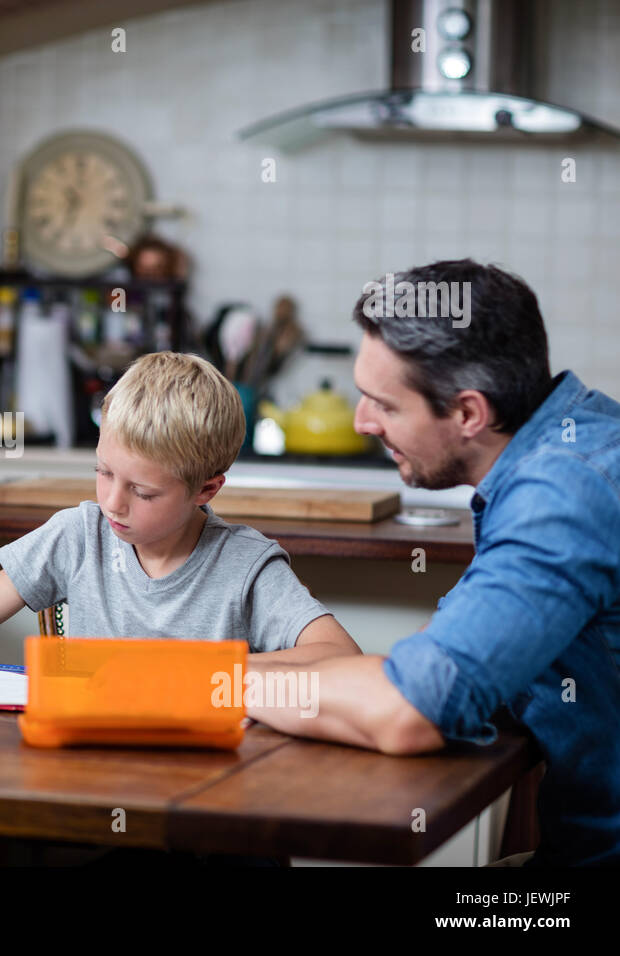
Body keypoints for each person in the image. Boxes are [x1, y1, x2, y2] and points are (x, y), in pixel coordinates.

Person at [246, 259, 620, 866]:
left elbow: (408, 711)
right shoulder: (568, 443)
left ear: (469, 413)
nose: (363, 422)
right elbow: (431, 661)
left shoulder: (561, 497)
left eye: (384, 405)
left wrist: (217, 683)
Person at [0, 351, 361, 684]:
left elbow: (340, 657)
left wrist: (206, 670)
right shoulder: (78, 535)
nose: (112, 502)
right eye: (104, 472)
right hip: (91, 764)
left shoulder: (244, 565)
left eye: (143, 491)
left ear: (206, 489)